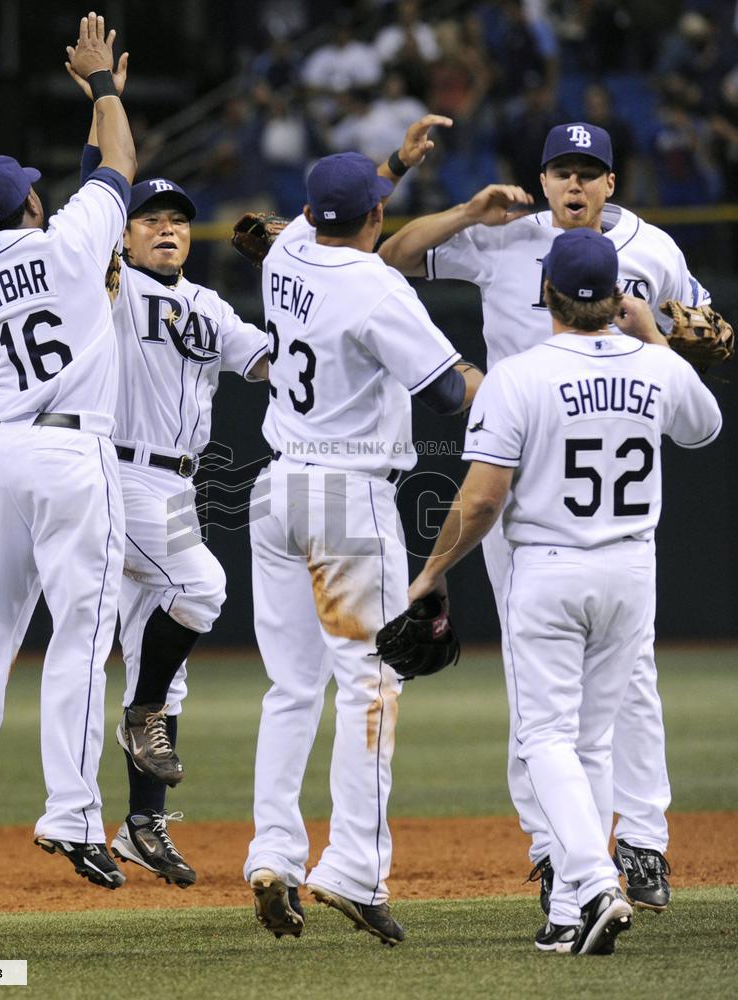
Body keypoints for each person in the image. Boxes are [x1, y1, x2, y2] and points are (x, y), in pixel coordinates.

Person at [379, 120, 714, 914]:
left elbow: (706, 332)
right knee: (555, 691)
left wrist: (701, 338)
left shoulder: (654, 248)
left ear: (609, 183)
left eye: (587, 171)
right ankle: (558, 850)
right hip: (533, 484)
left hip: (562, 486)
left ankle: (635, 843)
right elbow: (391, 256)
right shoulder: (505, 235)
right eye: (560, 170)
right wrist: (466, 212)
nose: (572, 183)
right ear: (542, 179)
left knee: (614, 684)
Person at [244, 117, 484, 946]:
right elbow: (451, 391)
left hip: (274, 492)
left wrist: (391, 168)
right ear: (373, 217)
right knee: (374, 683)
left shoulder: (284, 253)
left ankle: (272, 855)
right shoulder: (379, 290)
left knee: (291, 688)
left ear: (314, 212)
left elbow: (332, 217)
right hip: (347, 496)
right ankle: (352, 866)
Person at [0, 13, 136, 889]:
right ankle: (72, 814)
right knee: (82, 638)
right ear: (28, 202)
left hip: (1, 452)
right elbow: (119, 168)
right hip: (70, 455)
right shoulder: (67, 242)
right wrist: (102, 90)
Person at [67, 59, 269, 888]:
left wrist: (289, 273)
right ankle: (133, 726)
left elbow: (270, 364)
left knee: (160, 657)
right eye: (149, 217)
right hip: (116, 476)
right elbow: (93, 192)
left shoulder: (210, 306)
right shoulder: (105, 288)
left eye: (177, 220)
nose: (166, 228)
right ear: (122, 232)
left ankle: (141, 823)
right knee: (206, 590)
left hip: (176, 486)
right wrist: (104, 100)